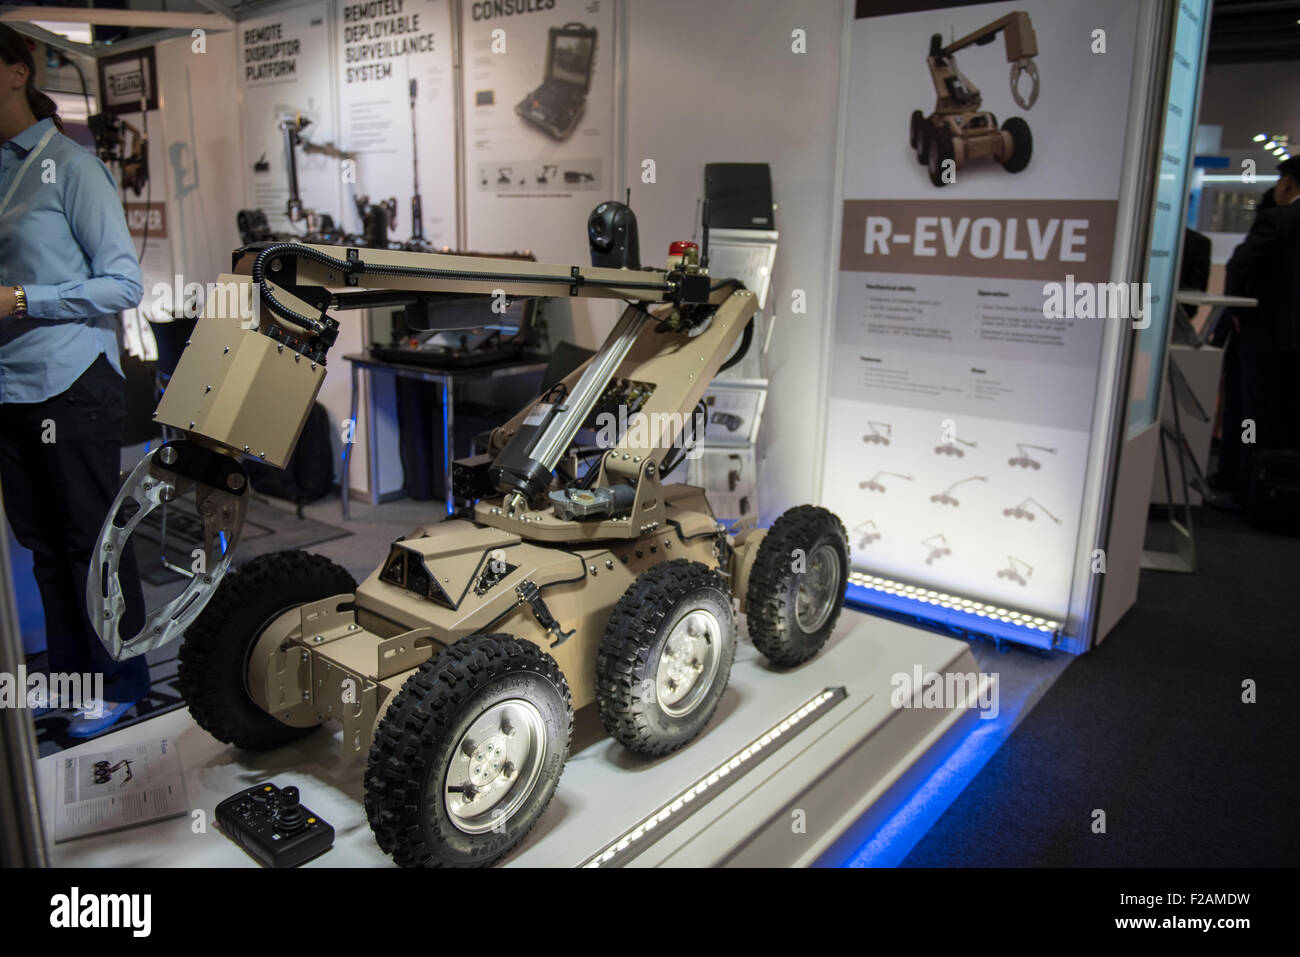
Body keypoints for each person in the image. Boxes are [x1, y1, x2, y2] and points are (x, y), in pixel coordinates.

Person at [0, 24, 149, 735]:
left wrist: (25, 299)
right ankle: (69, 679)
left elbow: (123, 283)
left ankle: (120, 681)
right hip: (8, 386)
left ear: (15, 72)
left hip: (71, 381)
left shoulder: (72, 166)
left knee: (92, 541)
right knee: (44, 546)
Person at [1220, 157, 1300, 496]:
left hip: (1266, 339)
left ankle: (1249, 487)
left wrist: (1238, 312)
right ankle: (1285, 488)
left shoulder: (1277, 220)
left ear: (1287, 185)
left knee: (1254, 417)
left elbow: (1240, 264)